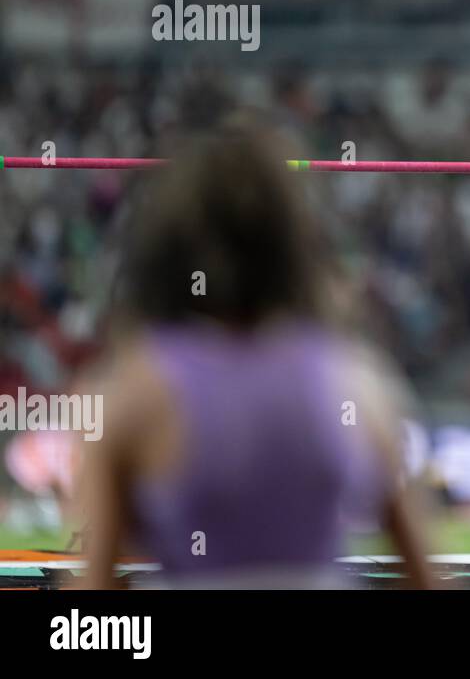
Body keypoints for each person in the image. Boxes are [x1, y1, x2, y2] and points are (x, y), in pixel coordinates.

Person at [79, 121, 435, 588]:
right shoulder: (355, 382)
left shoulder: (131, 393)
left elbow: (90, 602)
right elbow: (427, 577)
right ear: (293, 246)